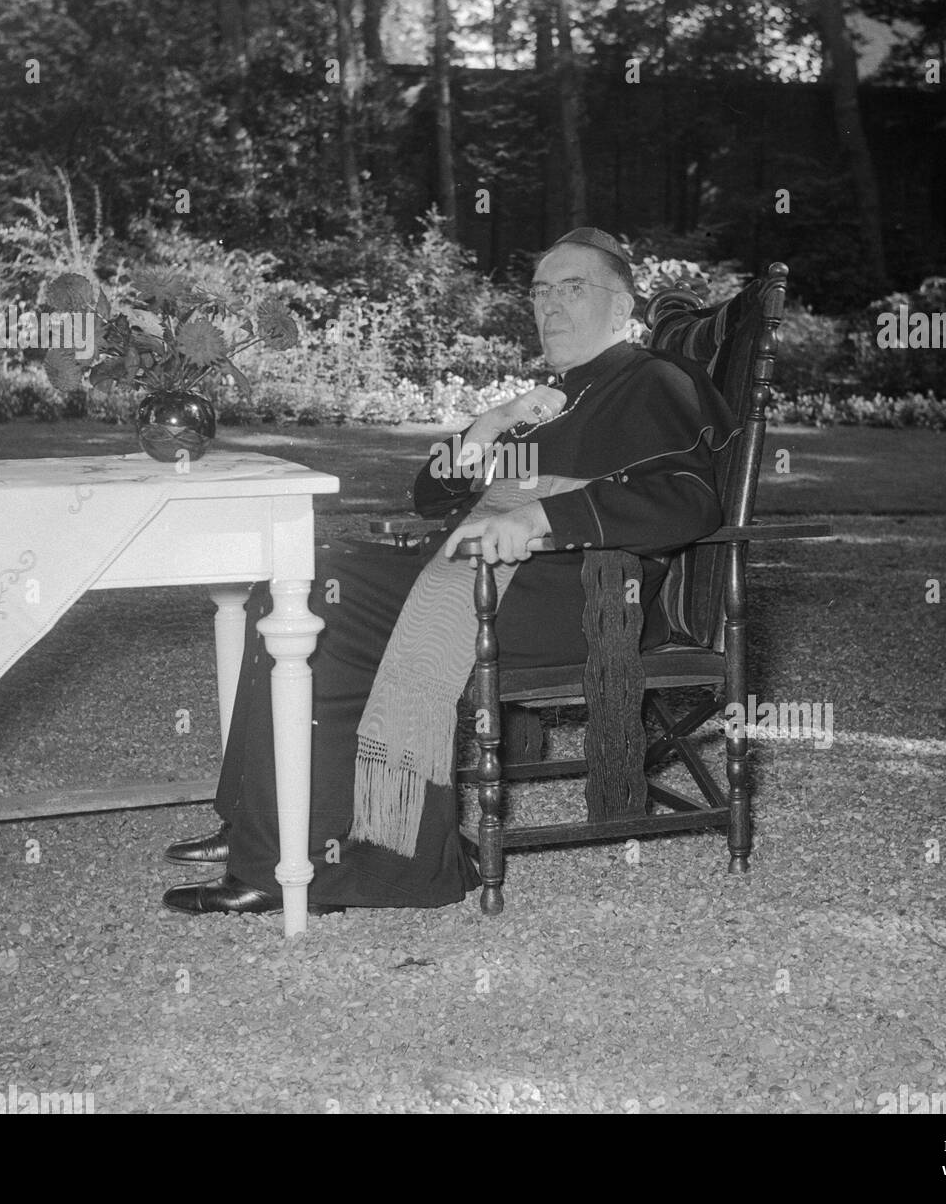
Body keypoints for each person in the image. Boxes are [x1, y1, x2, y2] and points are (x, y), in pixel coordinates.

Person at [162, 227, 737, 915]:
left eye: (573, 289)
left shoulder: (654, 383)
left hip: (579, 597)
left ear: (622, 307)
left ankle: (321, 863)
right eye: (540, 291)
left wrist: (538, 519)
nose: (550, 305)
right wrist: (487, 427)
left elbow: (686, 500)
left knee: (315, 594)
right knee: (287, 580)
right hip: (490, 577)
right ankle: (257, 818)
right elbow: (432, 495)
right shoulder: (555, 403)